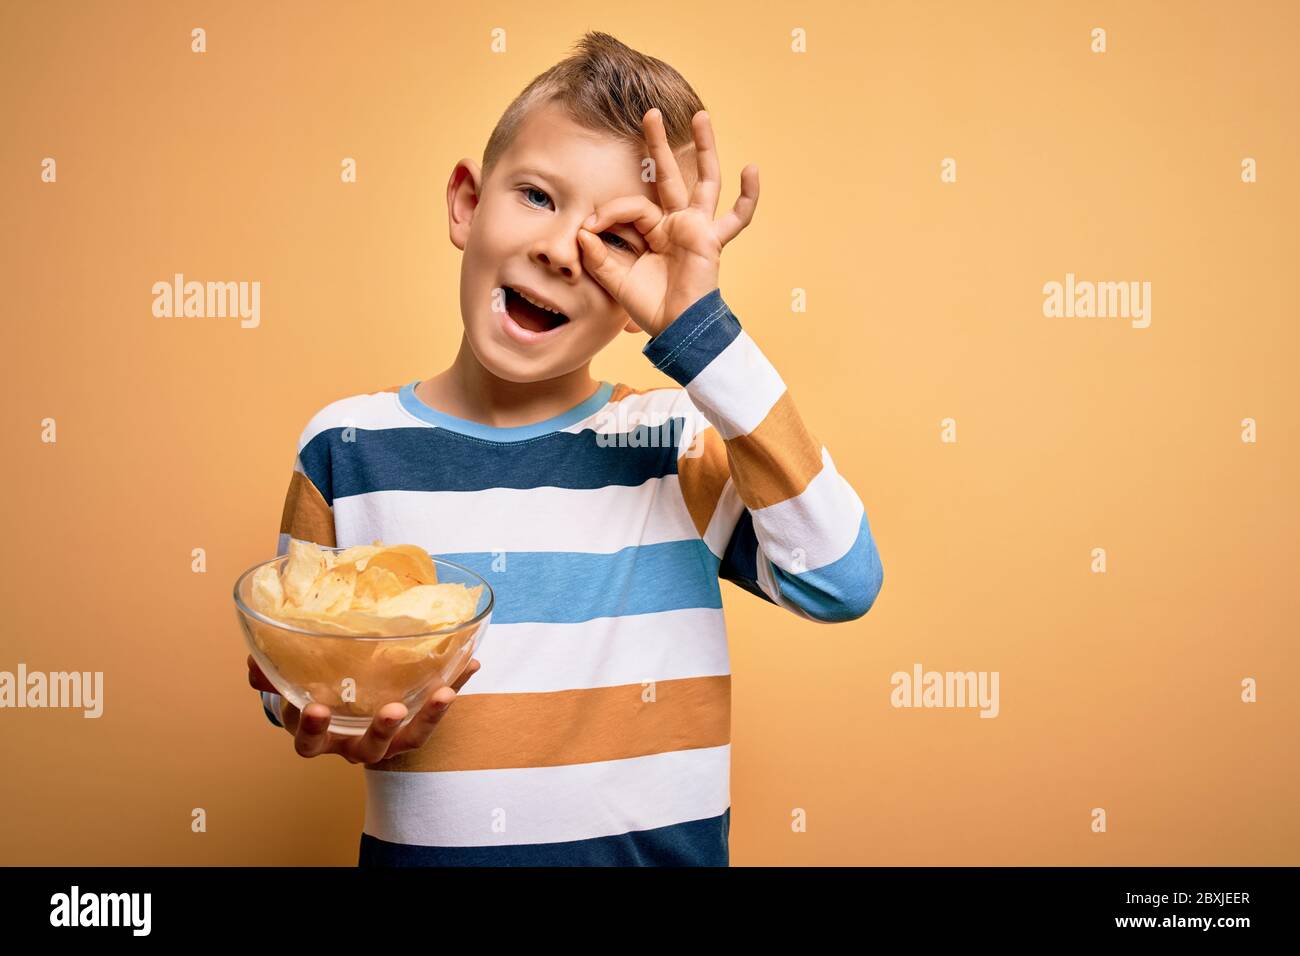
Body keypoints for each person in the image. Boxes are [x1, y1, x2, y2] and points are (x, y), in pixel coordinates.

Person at [248, 30, 883, 866]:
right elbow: (299, 668)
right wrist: (332, 715)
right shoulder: (346, 446)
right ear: (466, 204)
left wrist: (702, 335)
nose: (559, 250)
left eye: (615, 240)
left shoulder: (672, 445)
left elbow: (840, 579)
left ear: (637, 299)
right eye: (538, 197)